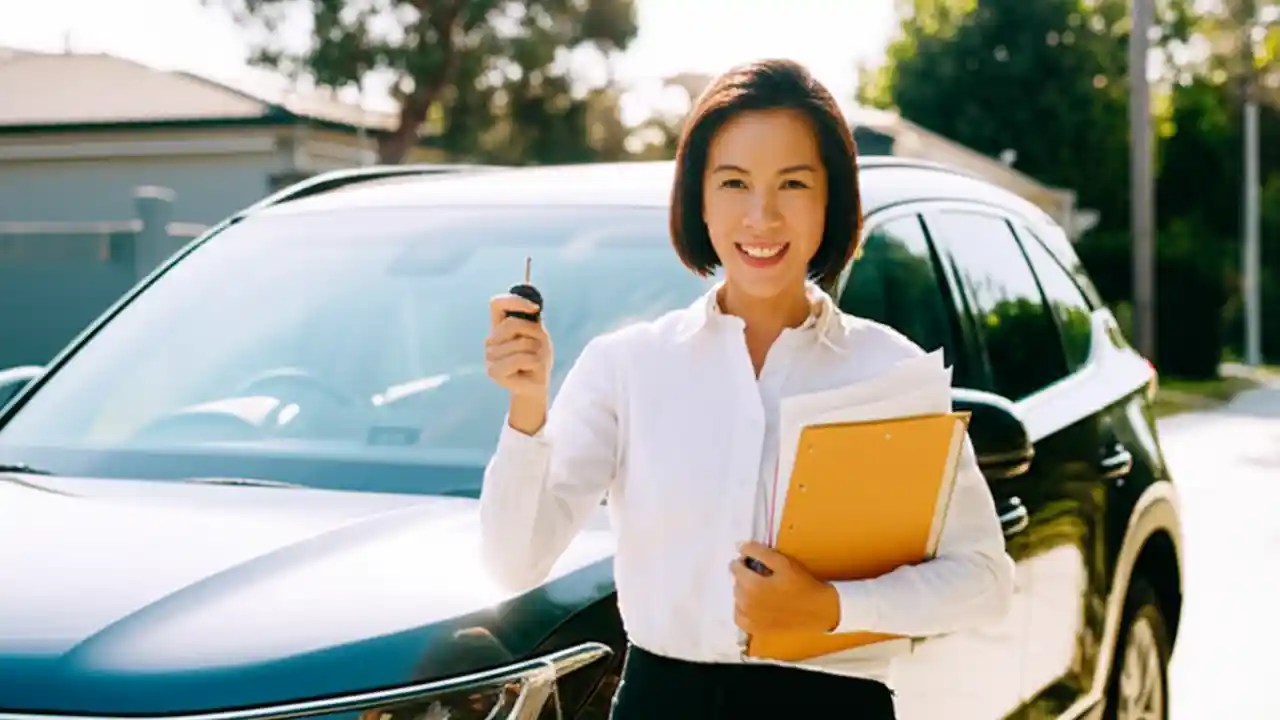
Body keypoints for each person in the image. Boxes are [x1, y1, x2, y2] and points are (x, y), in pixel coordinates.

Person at [479, 59, 1015, 719]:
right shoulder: (628, 366)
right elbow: (514, 564)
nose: (762, 216)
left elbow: (985, 579)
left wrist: (834, 608)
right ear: (699, 200)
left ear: (831, 201)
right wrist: (527, 409)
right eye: (734, 182)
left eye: (792, 183)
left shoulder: (891, 372)